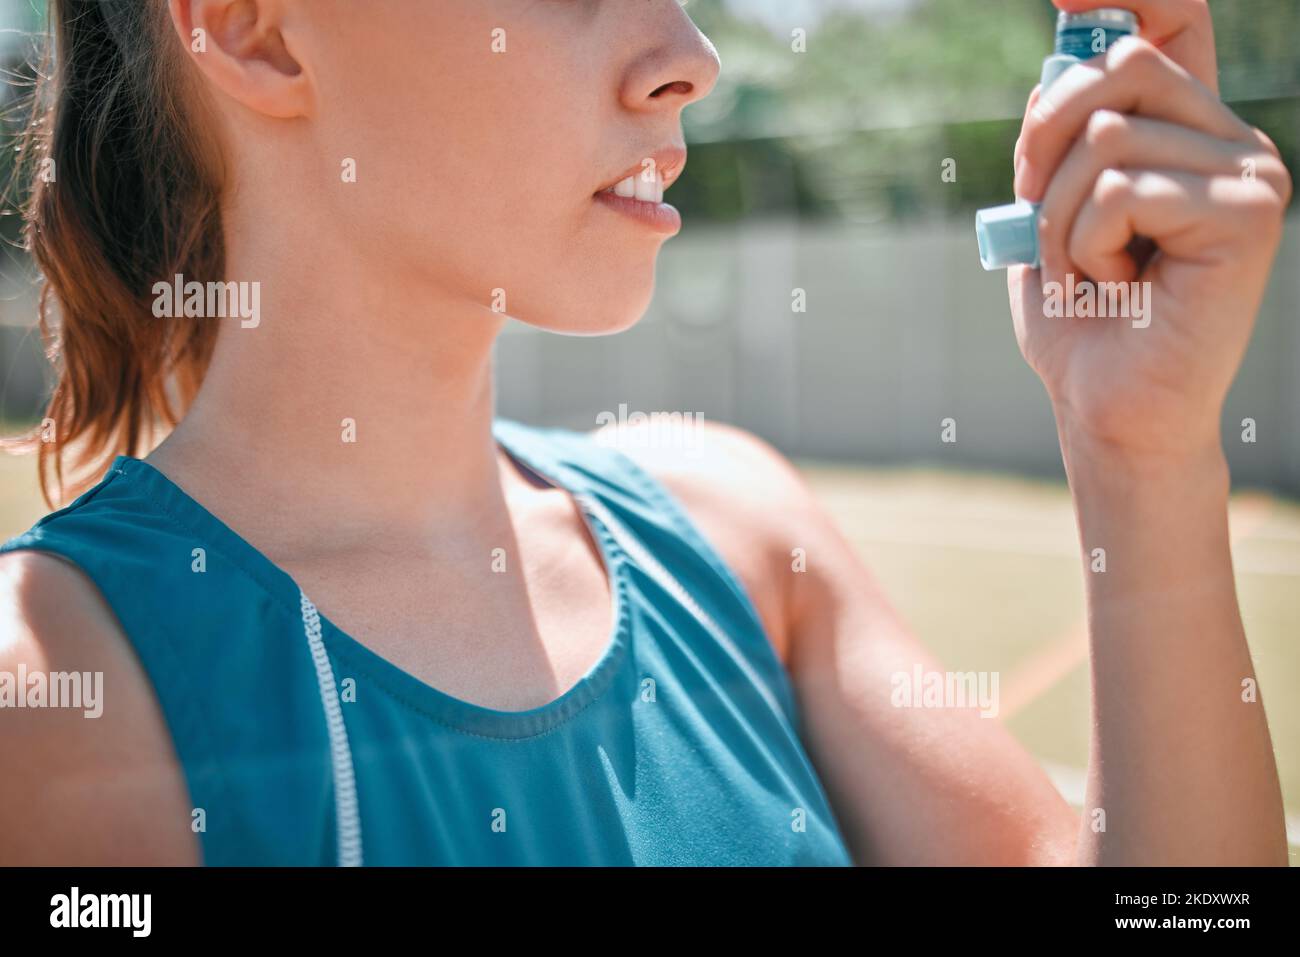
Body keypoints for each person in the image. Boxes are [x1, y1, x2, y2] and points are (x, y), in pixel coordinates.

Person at [0, 0, 1289, 865]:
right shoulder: (55, 694)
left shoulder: (738, 534)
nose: (690, 51)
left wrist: (1142, 450)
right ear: (258, 33)